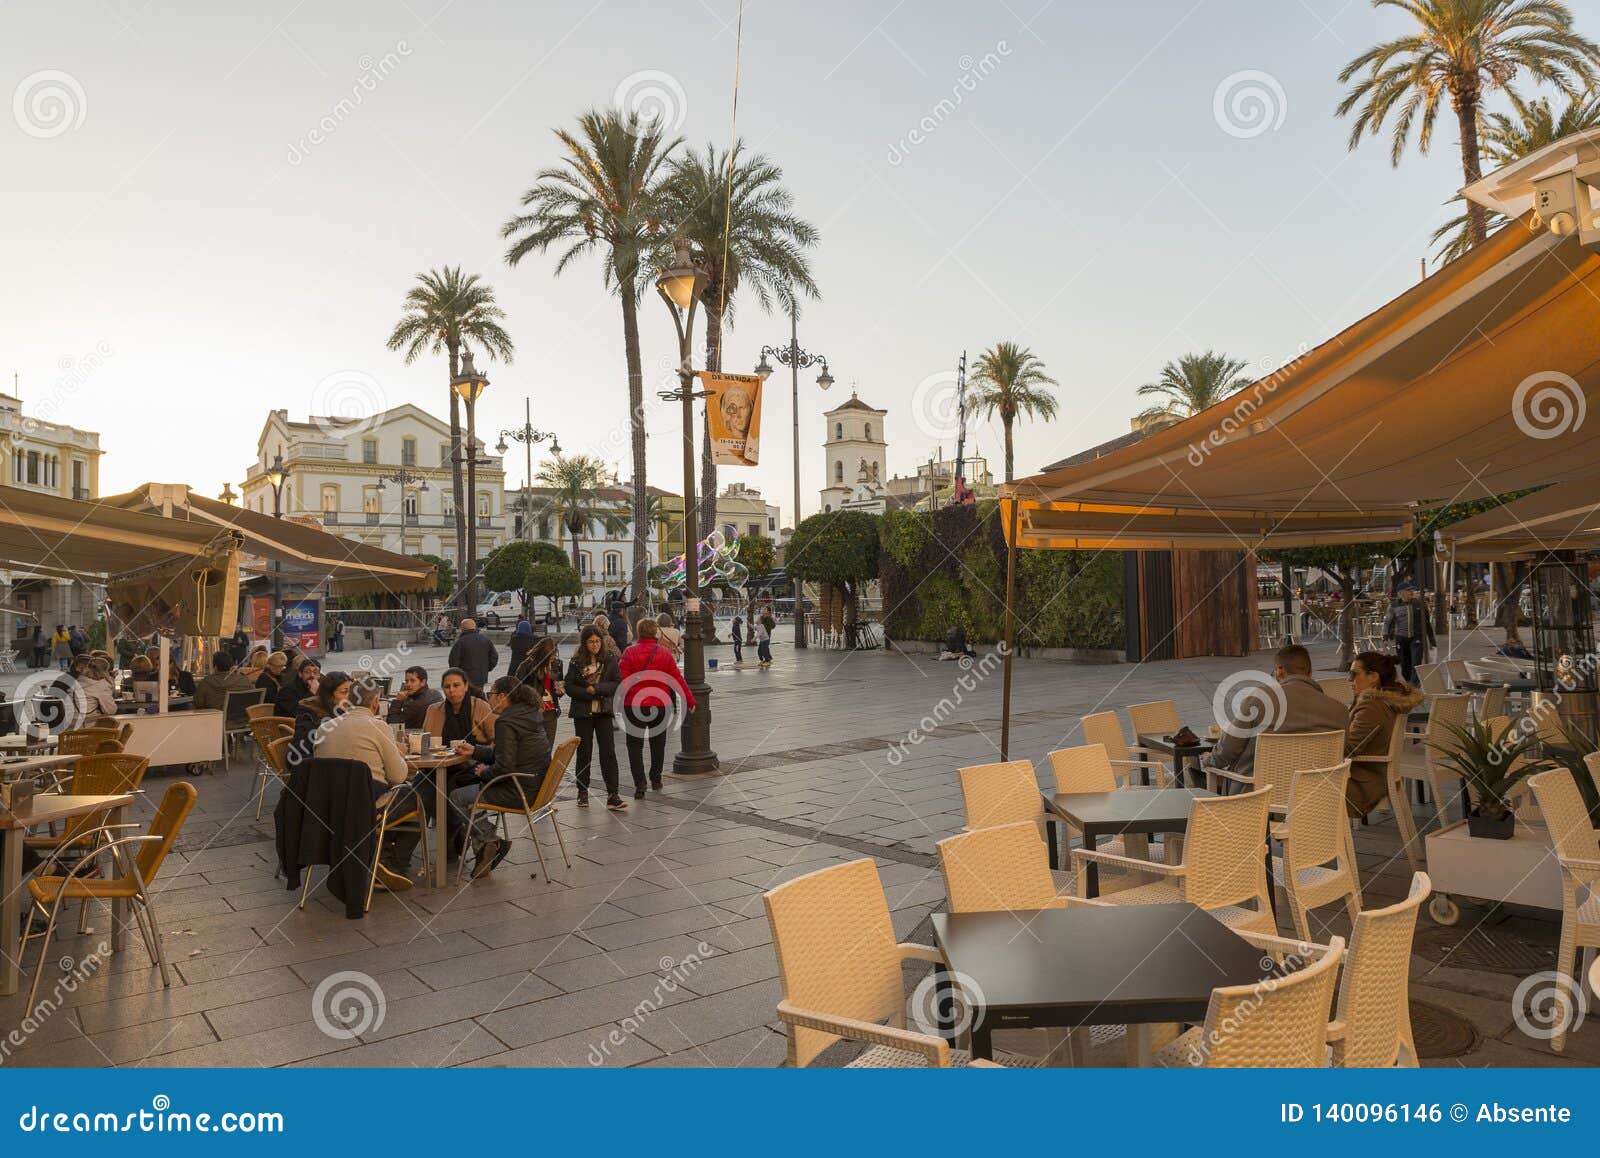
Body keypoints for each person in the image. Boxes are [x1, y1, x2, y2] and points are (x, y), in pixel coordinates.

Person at [311, 675, 415, 892]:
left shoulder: (323, 729)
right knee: (418, 799)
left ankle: (379, 856)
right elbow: (398, 776)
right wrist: (399, 754)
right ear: (375, 702)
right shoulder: (378, 727)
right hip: (367, 806)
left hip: (328, 807)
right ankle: (390, 864)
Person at [448, 675, 554, 878]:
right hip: (536, 786)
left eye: (491, 694)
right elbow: (508, 754)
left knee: (457, 796)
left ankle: (490, 841)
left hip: (518, 790)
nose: (489, 699)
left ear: (503, 697)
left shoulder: (506, 721)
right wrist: (475, 751)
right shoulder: (530, 714)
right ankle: (487, 845)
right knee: (467, 789)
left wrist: (484, 773)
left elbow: (504, 767)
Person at [1203, 644, 1350, 779]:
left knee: (1200, 771)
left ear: (1279, 671)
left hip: (1257, 797)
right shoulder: (1340, 712)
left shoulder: (1259, 699)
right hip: (1317, 800)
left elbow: (1227, 751)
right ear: (1310, 672)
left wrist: (1208, 759)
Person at [618, 618, 696, 796]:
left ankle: (640, 784)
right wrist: (689, 701)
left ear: (639, 632)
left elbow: (622, 682)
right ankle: (656, 778)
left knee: (634, 746)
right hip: (660, 705)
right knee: (658, 743)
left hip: (634, 704)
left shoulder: (629, 652)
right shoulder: (664, 653)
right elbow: (678, 680)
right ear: (655, 632)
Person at [1343, 650, 1425, 818]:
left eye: (1354, 674)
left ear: (1373, 676)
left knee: (1300, 788)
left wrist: (1319, 744)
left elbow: (1350, 748)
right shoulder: (1391, 699)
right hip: (1377, 776)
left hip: (1362, 783)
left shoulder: (1371, 706)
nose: (1349, 679)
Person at [566, 625, 622, 809]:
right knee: (584, 753)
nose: (595, 645)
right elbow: (569, 686)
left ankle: (613, 794)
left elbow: (616, 683)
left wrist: (597, 689)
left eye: (597, 641)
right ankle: (582, 792)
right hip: (583, 713)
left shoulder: (610, 659)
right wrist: (586, 692)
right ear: (585, 643)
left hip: (603, 712)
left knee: (608, 752)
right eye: (591, 642)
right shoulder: (576, 662)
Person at [423, 668, 497, 746]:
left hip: (475, 756)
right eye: (447, 687)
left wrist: (479, 752)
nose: (451, 690)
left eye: (456, 685)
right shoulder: (433, 710)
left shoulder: (480, 706)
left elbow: (497, 739)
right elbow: (424, 741)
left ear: (466, 686)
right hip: (441, 756)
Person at [1382, 582, 1435, 686]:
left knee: (1416, 662)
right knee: (1404, 663)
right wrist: (1385, 635)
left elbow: (1427, 623)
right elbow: (1387, 622)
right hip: (1401, 638)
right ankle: (1408, 681)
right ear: (1401, 593)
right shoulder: (1393, 606)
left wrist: (1432, 639)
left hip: (1416, 637)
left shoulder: (1419, 604)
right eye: (1409, 590)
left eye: (1412, 590)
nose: (1412, 592)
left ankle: (1414, 685)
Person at [514, 637, 563, 747]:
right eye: (550, 656)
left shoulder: (557, 664)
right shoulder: (526, 666)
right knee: (534, 748)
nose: (552, 658)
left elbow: (560, 682)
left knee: (548, 747)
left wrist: (561, 690)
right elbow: (517, 690)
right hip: (533, 712)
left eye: (554, 655)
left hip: (551, 712)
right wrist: (533, 703)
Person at [192, 650, 259, 712]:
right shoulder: (244, 680)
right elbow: (255, 700)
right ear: (231, 666)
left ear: (215, 667)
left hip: (215, 721)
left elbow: (198, 704)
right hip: (245, 721)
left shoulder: (206, 683)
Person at [448, 618, 498, 691]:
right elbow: (494, 657)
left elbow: (453, 660)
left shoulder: (460, 642)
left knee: (466, 698)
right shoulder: (485, 639)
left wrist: (457, 675)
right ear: (474, 627)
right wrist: (486, 668)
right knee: (479, 697)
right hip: (481, 676)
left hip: (465, 677)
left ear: (462, 628)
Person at [387, 665, 443, 730]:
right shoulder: (436, 693)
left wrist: (398, 701)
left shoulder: (414, 704)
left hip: (416, 736)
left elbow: (392, 725)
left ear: (423, 682)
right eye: (406, 681)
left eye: (412, 681)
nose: (408, 684)